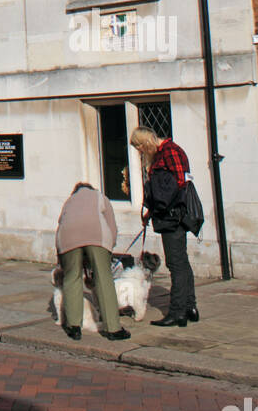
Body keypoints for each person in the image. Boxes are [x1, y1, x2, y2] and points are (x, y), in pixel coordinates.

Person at [130, 127, 199, 327]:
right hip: (168, 215)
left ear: (146, 142)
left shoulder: (170, 152)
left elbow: (178, 184)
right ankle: (189, 306)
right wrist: (150, 212)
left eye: (140, 148)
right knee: (181, 262)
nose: (141, 153)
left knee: (175, 264)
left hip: (173, 217)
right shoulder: (164, 153)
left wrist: (159, 206)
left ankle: (178, 312)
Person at [55, 181, 130, 342]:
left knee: (72, 278)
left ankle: (74, 327)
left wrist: (60, 258)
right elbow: (112, 226)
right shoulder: (100, 197)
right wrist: (108, 250)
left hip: (68, 238)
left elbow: (60, 226)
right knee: (103, 277)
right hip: (97, 235)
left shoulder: (69, 202)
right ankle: (113, 329)